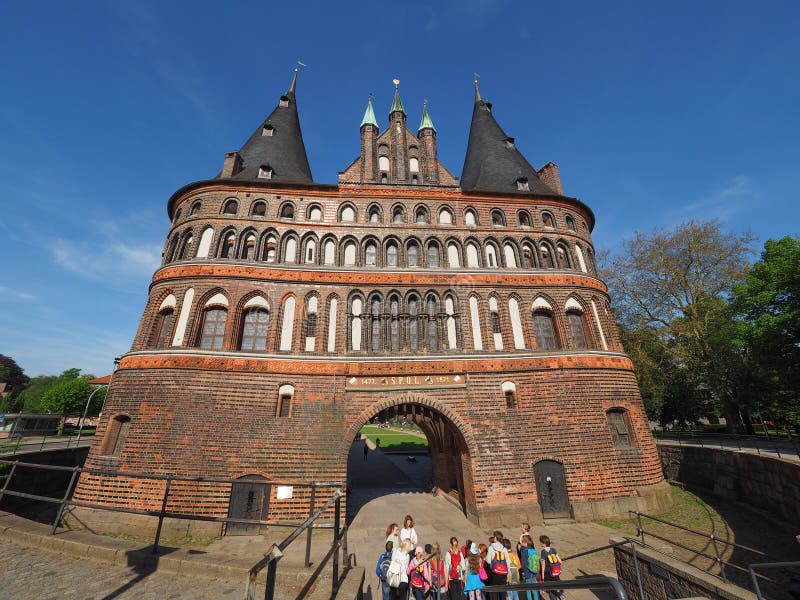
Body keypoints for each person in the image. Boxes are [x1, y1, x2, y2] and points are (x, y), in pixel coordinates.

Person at [486, 531, 510, 600]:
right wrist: (508, 573)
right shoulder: (504, 549)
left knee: (494, 592)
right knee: (502, 592)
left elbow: (488, 560)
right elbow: (507, 562)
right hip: (503, 573)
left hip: (494, 573)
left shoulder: (491, 547)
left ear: (495, 538)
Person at [539, 535, 563, 600]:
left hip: (548, 575)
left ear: (543, 543)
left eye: (540, 542)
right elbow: (560, 561)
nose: (540, 543)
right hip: (555, 573)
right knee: (556, 586)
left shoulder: (543, 552)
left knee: (550, 590)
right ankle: (560, 594)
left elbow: (543, 565)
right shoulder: (553, 550)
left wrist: (543, 577)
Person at [519, 535, 540, 600]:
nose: (521, 543)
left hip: (528, 573)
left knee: (528, 591)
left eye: (522, 542)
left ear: (525, 542)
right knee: (534, 590)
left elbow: (524, 565)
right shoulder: (533, 550)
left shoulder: (524, 552)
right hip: (534, 573)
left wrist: (521, 571)